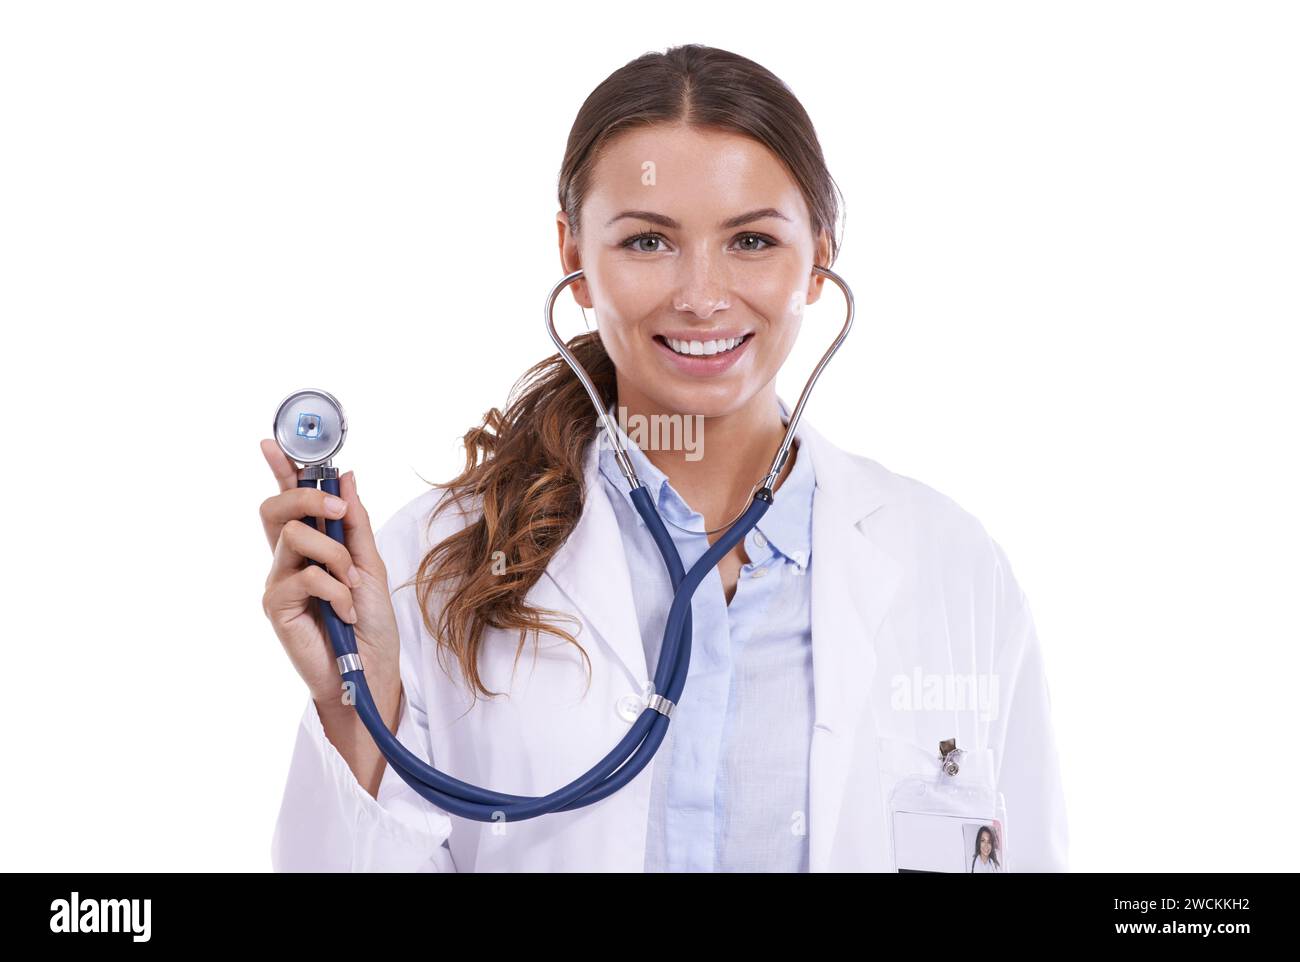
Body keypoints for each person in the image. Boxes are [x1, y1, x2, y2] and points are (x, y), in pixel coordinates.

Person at [260, 43, 1069, 872]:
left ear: (819, 254)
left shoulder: (950, 566)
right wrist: (352, 702)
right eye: (649, 243)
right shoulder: (427, 565)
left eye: (751, 240)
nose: (702, 295)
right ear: (574, 258)